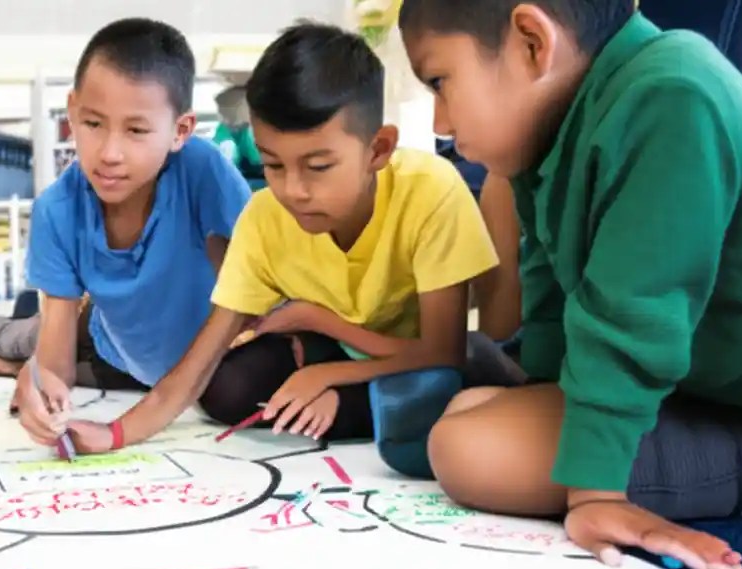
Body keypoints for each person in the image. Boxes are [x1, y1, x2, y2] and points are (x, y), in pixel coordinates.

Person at [401, 0, 742, 569]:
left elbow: (637, 312)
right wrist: (545, 393)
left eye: (441, 82)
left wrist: (594, 492)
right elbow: (552, 303)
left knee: (464, 449)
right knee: (468, 410)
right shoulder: (550, 134)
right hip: (698, 387)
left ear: (531, 42)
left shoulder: (672, 93)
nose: (441, 123)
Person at [57, 21, 498, 452]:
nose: (293, 191)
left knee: (439, 388)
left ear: (378, 150)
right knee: (225, 390)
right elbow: (199, 361)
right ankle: (346, 400)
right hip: (334, 350)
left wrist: (326, 373)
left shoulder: (430, 190)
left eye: (319, 167)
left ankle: (346, 402)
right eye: (273, 165)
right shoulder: (265, 218)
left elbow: (444, 351)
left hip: (418, 358)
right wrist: (116, 434)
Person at [14, 18, 252, 445]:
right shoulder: (56, 211)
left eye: (137, 130)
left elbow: (257, 285)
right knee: (24, 337)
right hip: (118, 351)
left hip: (189, 355)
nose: (109, 154)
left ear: (180, 131)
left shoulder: (202, 171)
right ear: (71, 111)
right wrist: (40, 388)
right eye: (92, 124)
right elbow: (54, 365)